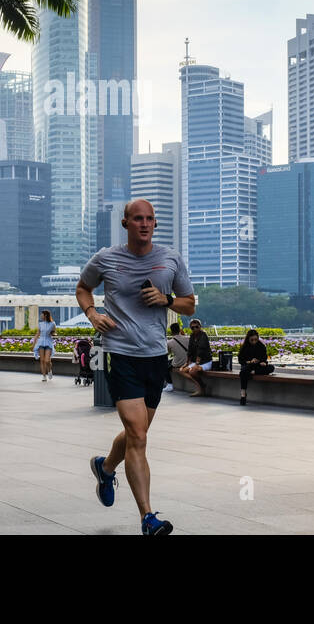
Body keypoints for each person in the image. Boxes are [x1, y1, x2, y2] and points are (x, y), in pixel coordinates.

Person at [78, 198, 195, 535]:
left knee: (136, 434)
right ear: (125, 222)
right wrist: (92, 314)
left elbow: (189, 305)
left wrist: (167, 300)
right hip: (121, 354)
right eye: (137, 218)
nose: (144, 224)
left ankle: (105, 466)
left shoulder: (170, 259)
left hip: (155, 357)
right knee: (139, 435)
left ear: (155, 224)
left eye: (149, 219)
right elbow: (83, 288)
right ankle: (147, 517)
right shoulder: (106, 258)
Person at [237, 329, 274, 406]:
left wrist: (262, 362)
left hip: (258, 366)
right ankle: (243, 394)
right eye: (252, 340)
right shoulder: (244, 347)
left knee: (271, 368)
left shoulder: (261, 346)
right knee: (243, 372)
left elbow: (264, 359)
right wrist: (250, 361)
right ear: (248, 339)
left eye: (255, 340)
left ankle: (253, 372)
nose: (254, 342)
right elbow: (241, 360)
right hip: (248, 366)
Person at [176, 319, 212, 397]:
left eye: (196, 327)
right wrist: (186, 363)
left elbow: (201, 350)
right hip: (196, 362)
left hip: (205, 361)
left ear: (200, 326)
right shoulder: (192, 336)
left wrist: (197, 364)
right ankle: (201, 386)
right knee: (182, 371)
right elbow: (190, 350)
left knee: (193, 371)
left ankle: (201, 388)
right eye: (192, 328)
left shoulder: (203, 335)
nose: (195, 329)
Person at [32, 309, 58, 381]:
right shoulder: (40, 324)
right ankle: (44, 376)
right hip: (41, 342)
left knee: (47, 360)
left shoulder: (53, 323)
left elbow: (54, 332)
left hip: (48, 342)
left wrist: (53, 334)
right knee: (42, 360)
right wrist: (33, 344)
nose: (41, 316)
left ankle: (49, 370)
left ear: (45, 315)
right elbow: (37, 334)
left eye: (42, 315)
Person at [165, 322, 190, 393]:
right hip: (189, 361)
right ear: (180, 330)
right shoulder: (188, 338)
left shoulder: (169, 342)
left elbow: (168, 353)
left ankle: (169, 384)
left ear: (171, 331)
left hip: (179, 363)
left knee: (164, 365)